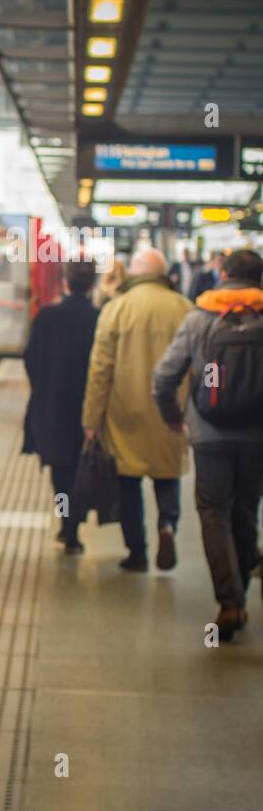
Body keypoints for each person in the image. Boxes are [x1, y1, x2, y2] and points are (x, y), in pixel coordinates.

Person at [152, 249, 263, 638]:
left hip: (210, 434)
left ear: (223, 274)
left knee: (214, 513)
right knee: (246, 511)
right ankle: (242, 590)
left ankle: (230, 603)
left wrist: (173, 418)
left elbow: (164, 378)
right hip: (257, 436)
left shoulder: (200, 319)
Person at [82, 248, 193, 572]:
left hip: (124, 412)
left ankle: (138, 553)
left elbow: (100, 370)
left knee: (128, 485)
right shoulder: (185, 309)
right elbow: (202, 368)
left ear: (135, 272)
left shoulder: (116, 309)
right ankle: (168, 525)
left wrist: (91, 419)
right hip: (170, 413)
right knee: (167, 475)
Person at [24, 260, 99, 554]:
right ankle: (75, 525)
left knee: (60, 472)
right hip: (85, 408)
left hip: (52, 408)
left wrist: (42, 389)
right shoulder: (98, 317)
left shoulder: (47, 316)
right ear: (92, 284)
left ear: (65, 281)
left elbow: (31, 359)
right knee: (81, 470)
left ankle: (65, 520)